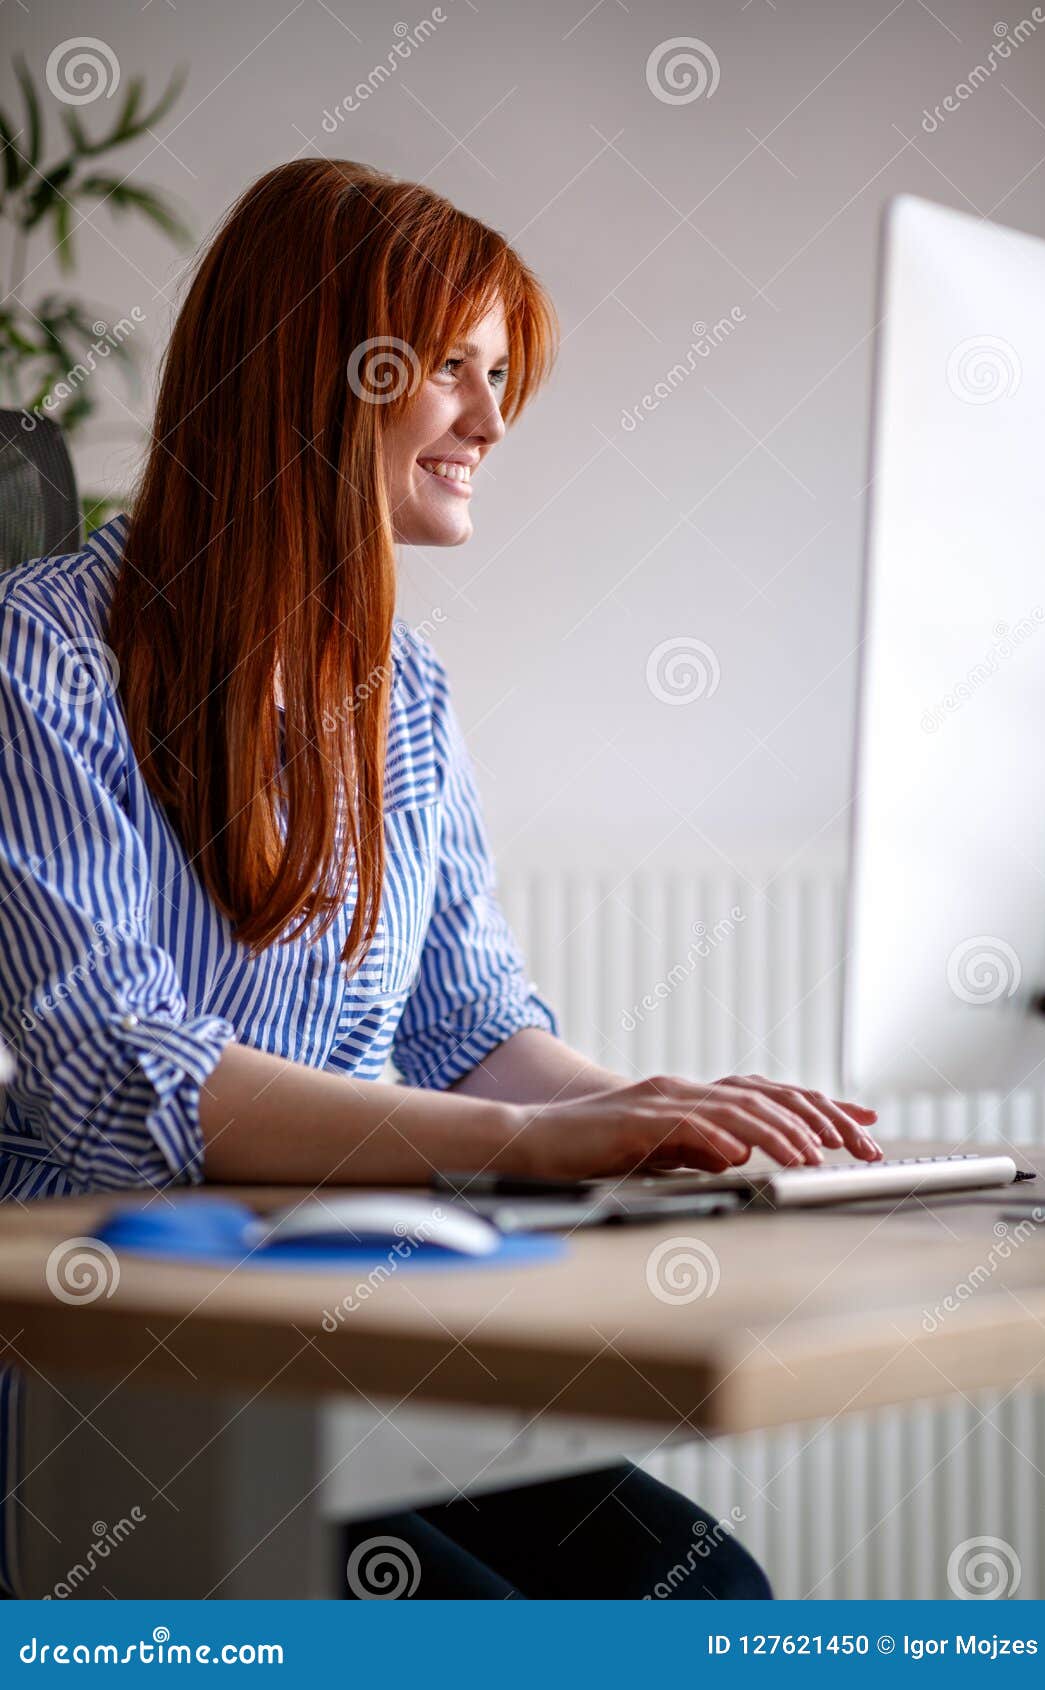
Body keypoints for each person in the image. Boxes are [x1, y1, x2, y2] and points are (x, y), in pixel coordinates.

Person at [0, 160, 882, 1599]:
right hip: (117, 1366)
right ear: (316, 373)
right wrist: (526, 1145)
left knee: (708, 1590)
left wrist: (671, 1117)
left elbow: (469, 1021)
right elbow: (121, 1079)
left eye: (496, 373)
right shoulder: (40, 658)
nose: (490, 418)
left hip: (352, 1341)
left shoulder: (401, 695)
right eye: (453, 372)